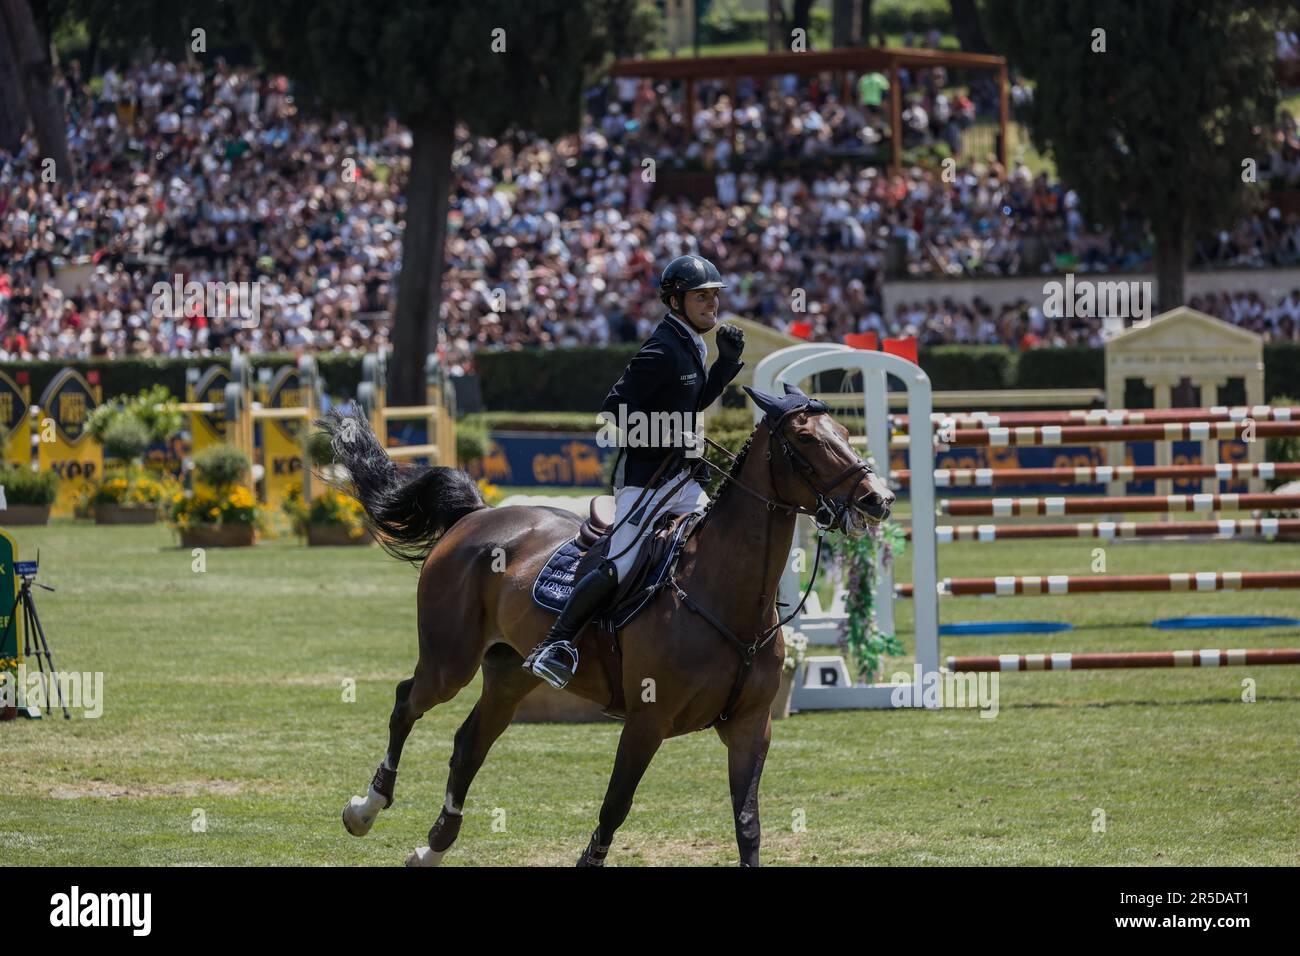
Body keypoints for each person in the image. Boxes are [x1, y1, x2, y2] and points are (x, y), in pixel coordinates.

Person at [523, 255, 745, 689]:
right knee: (622, 563)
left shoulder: (691, 343)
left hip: (683, 482)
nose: (712, 304)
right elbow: (613, 412)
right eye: (702, 297)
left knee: (721, 543)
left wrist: (725, 364)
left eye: (714, 296)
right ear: (675, 302)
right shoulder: (662, 349)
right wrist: (669, 435)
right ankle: (555, 645)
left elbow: (691, 402)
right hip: (645, 483)